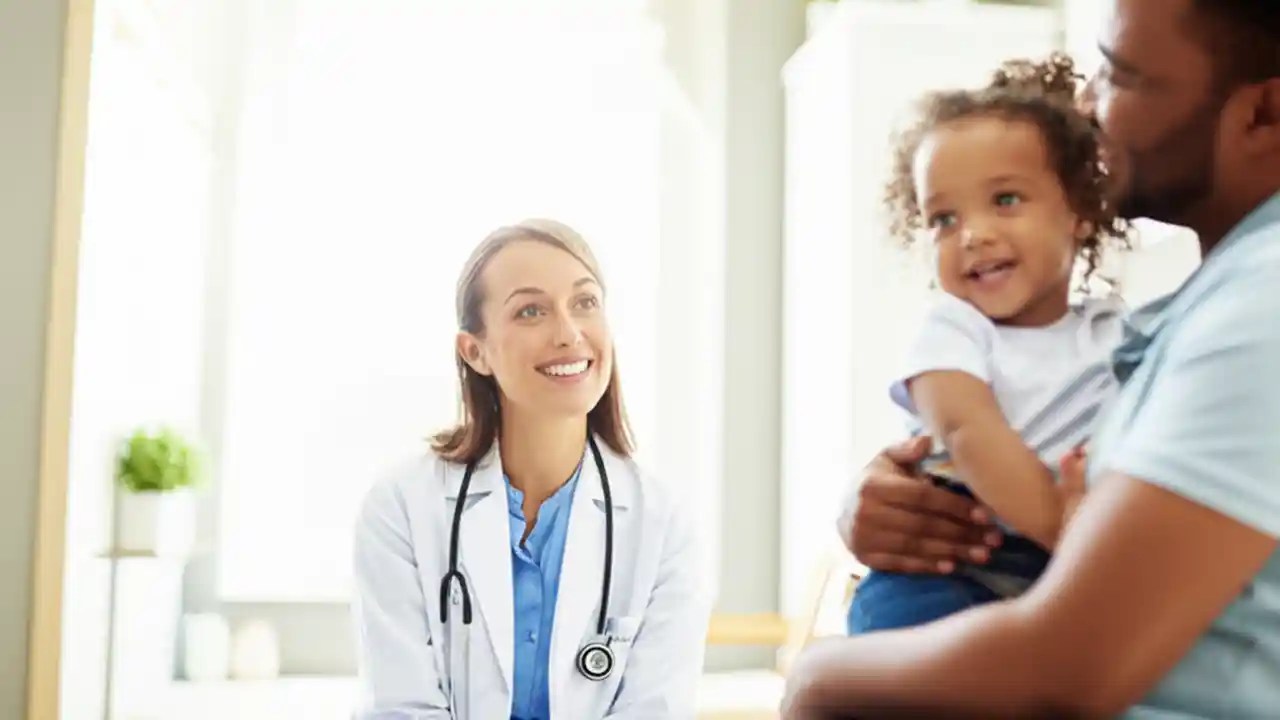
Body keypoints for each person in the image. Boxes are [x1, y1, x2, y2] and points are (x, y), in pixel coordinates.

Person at [783, 0, 1280, 716]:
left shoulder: (1256, 309)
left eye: (1121, 75)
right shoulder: (1200, 307)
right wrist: (892, 500)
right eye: (943, 218)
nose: (1087, 104)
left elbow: (1065, 668)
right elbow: (974, 433)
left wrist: (817, 677)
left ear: (1263, 114)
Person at [351, 219, 711, 719]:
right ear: (474, 352)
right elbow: (401, 708)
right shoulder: (401, 507)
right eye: (531, 311)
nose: (568, 333)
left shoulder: (664, 522)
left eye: (585, 302)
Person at [847, 52, 1129, 635]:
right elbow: (966, 431)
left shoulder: (1113, 330)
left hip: (1063, 561)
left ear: (1079, 211)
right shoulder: (952, 331)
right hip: (954, 565)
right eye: (944, 220)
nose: (972, 235)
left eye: (1005, 200)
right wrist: (1069, 536)